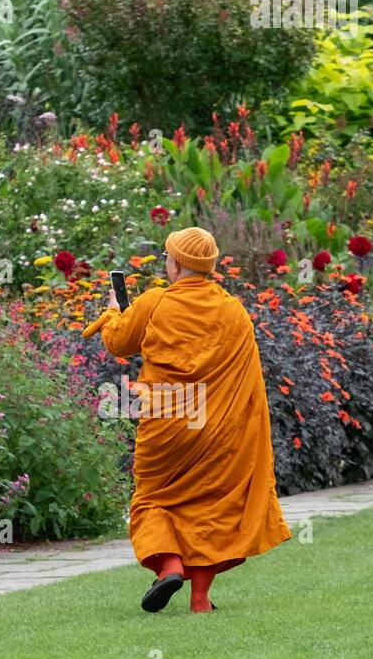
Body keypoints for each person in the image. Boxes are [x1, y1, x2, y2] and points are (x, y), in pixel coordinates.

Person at [82, 226, 291, 612]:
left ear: (176, 264)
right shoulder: (233, 310)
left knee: (151, 498)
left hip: (167, 419)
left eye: (167, 257)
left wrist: (113, 309)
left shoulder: (155, 302)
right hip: (217, 426)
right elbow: (248, 378)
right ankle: (200, 599)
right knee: (209, 505)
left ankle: (169, 566)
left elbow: (118, 343)